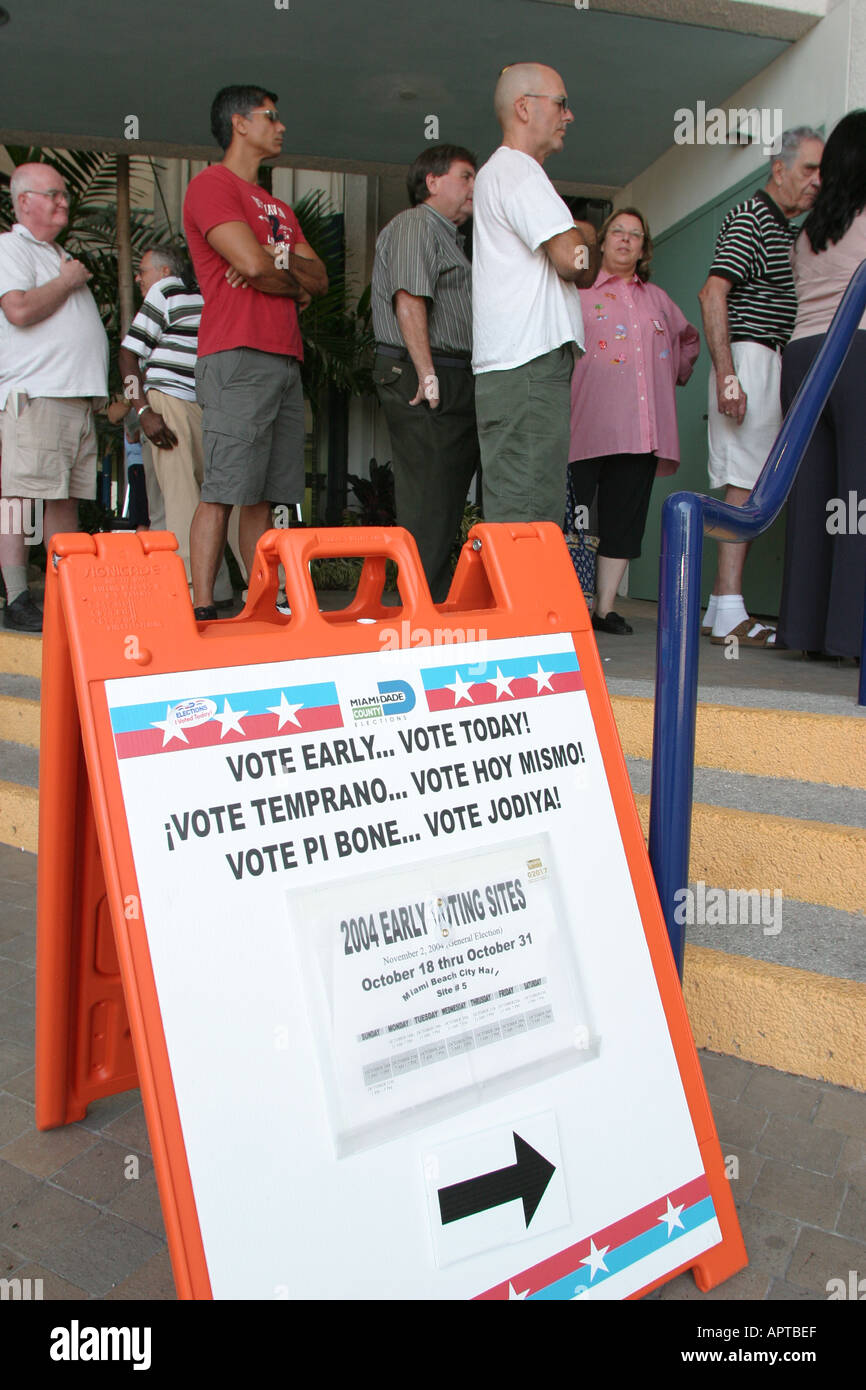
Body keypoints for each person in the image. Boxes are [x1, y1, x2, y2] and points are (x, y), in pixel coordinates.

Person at [183, 84, 328, 620]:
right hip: (236, 353)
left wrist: (276, 267)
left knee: (263, 496)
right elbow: (251, 265)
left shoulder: (279, 207)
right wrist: (283, 273)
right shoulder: (210, 185)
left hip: (285, 359)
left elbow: (321, 280)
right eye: (271, 116)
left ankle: (259, 605)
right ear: (239, 124)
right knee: (223, 487)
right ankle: (202, 607)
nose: (282, 126)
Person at [698, 126, 824, 647]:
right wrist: (729, 374)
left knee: (749, 479)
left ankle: (718, 609)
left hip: (767, 357)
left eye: (822, 173)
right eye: (808, 170)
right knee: (745, 484)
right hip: (748, 354)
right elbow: (712, 293)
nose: (816, 182)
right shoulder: (750, 216)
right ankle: (729, 608)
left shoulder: (788, 230)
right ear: (778, 169)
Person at [471, 62, 598, 524]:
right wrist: (583, 230)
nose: (569, 116)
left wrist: (575, 234)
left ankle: (517, 599)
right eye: (561, 103)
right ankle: (525, 601)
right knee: (529, 519)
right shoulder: (519, 171)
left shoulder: (504, 174)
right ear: (524, 107)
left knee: (521, 510)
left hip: (517, 368)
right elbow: (572, 259)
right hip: (527, 367)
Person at [569, 208, 699, 635]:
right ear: (602, 242)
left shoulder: (658, 299)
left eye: (636, 235)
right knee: (578, 519)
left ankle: (604, 608)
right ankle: (573, 604)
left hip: (640, 429)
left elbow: (688, 340)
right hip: (585, 425)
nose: (626, 240)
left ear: (644, 248)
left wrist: (674, 375)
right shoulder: (576, 293)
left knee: (624, 519)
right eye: (618, 232)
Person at [0, 162, 108, 631]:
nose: (65, 201)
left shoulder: (55, 253)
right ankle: (17, 595)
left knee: (64, 500)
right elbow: (19, 310)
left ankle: (63, 595)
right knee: (20, 499)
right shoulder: (12, 247)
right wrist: (68, 281)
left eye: (65, 194)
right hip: (39, 394)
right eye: (54, 194)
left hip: (74, 399)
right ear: (24, 202)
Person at [777, 110, 866, 660]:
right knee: (857, 498)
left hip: (803, 358)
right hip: (857, 352)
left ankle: (805, 633)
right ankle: (849, 636)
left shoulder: (808, 229)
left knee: (813, 501)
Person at [372, 145, 478, 601]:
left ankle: (425, 606)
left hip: (448, 370)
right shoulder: (417, 224)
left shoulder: (449, 237)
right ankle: (414, 613)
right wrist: (427, 375)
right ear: (432, 182)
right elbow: (409, 299)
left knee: (444, 500)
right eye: (466, 176)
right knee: (429, 502)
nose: (475, 187)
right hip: (426, 368)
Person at [118, 243, 233, 604]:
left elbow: (128, 353)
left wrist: (143, 410)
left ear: (166, 272)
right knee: (188, 499)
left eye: (144, 270)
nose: (139, 278)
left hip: (182, 403)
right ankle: (202, 589)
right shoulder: (202, 296)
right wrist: (142, 409)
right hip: (177, 404)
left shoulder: (167, 290)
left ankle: (189, 590)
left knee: (181, 500)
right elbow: (130, 355)